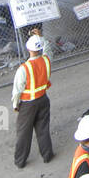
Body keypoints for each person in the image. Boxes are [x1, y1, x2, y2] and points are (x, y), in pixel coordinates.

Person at [11, 29, 53, 168]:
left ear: (28, 48)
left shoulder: (24, 68)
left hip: (28, 104)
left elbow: (17, 90)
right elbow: (48, 50)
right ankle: (47, 155)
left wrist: (15, 105)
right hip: (43, 100)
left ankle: (20, 161)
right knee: (43, 129)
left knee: (24, 132)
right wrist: (41, 37)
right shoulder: (46, 61)